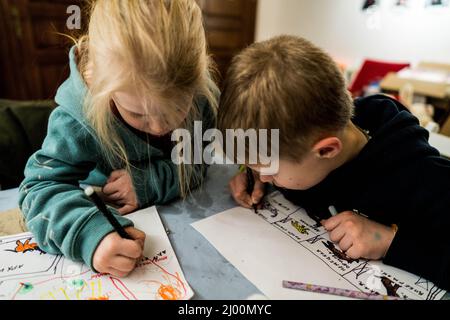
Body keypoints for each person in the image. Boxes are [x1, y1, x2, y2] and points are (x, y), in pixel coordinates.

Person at [218, 35, 450, 290]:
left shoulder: (418, 176)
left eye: (267, 170)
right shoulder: (302, 141)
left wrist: (389, 242)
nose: (264, 177)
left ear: (326, 149)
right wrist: (250, 174)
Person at [18, 0, 218, 277]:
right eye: (137, 114)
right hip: (108, 213)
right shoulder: (77, 120)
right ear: (101, 86)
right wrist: (89, 234)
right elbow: (38, 188)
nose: (160, 127)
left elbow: (201, 157)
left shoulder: (202, 96)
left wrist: (150, 182)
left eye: (176, 109)